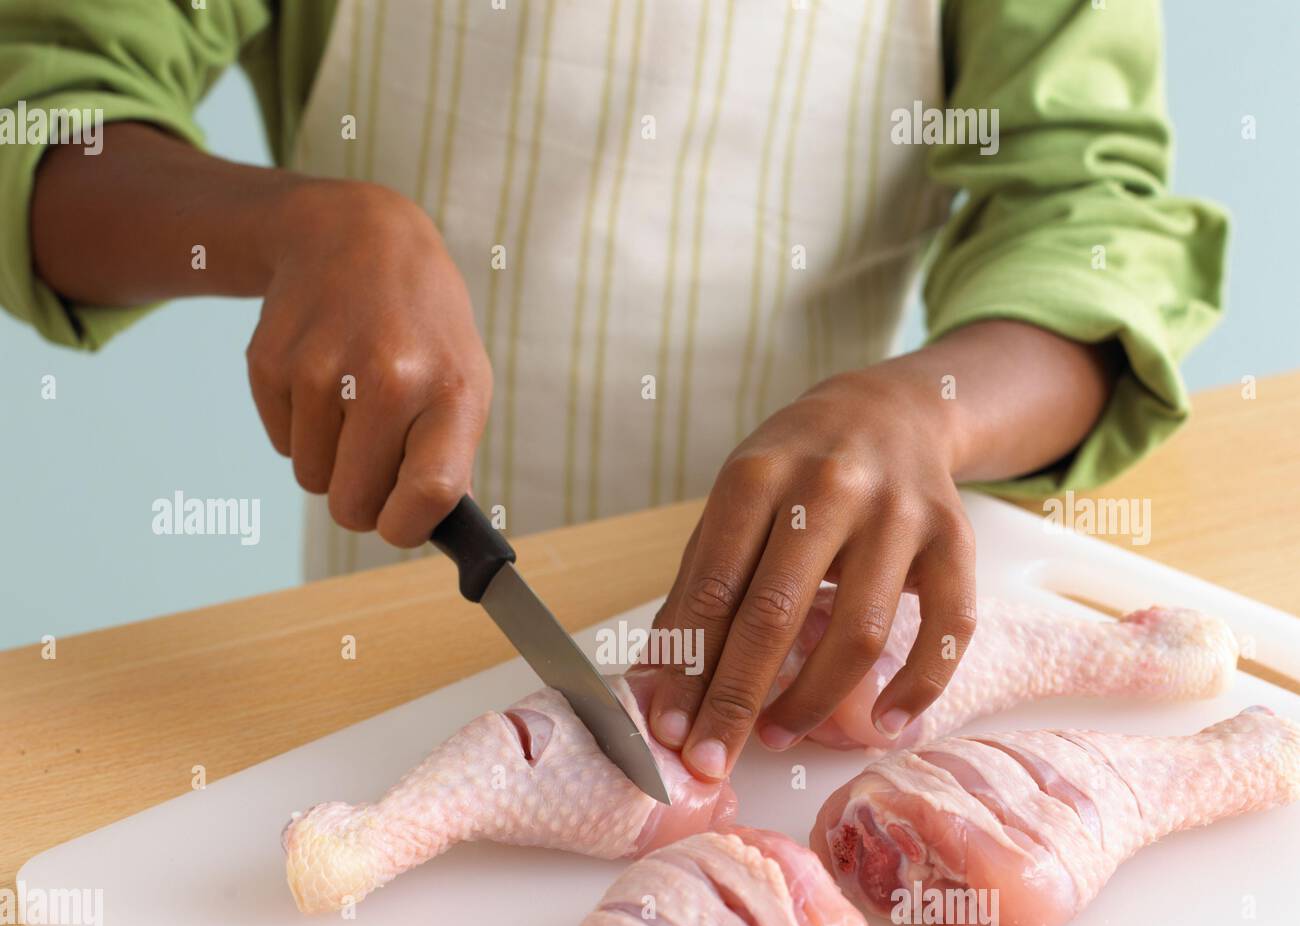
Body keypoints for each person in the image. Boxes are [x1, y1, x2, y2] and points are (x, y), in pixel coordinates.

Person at [0, 0, 1225, 782]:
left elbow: (1094, 214)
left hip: (796, 667)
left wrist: (927, 406)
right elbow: (40, 106)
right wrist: (292, 225)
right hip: (390, 647)